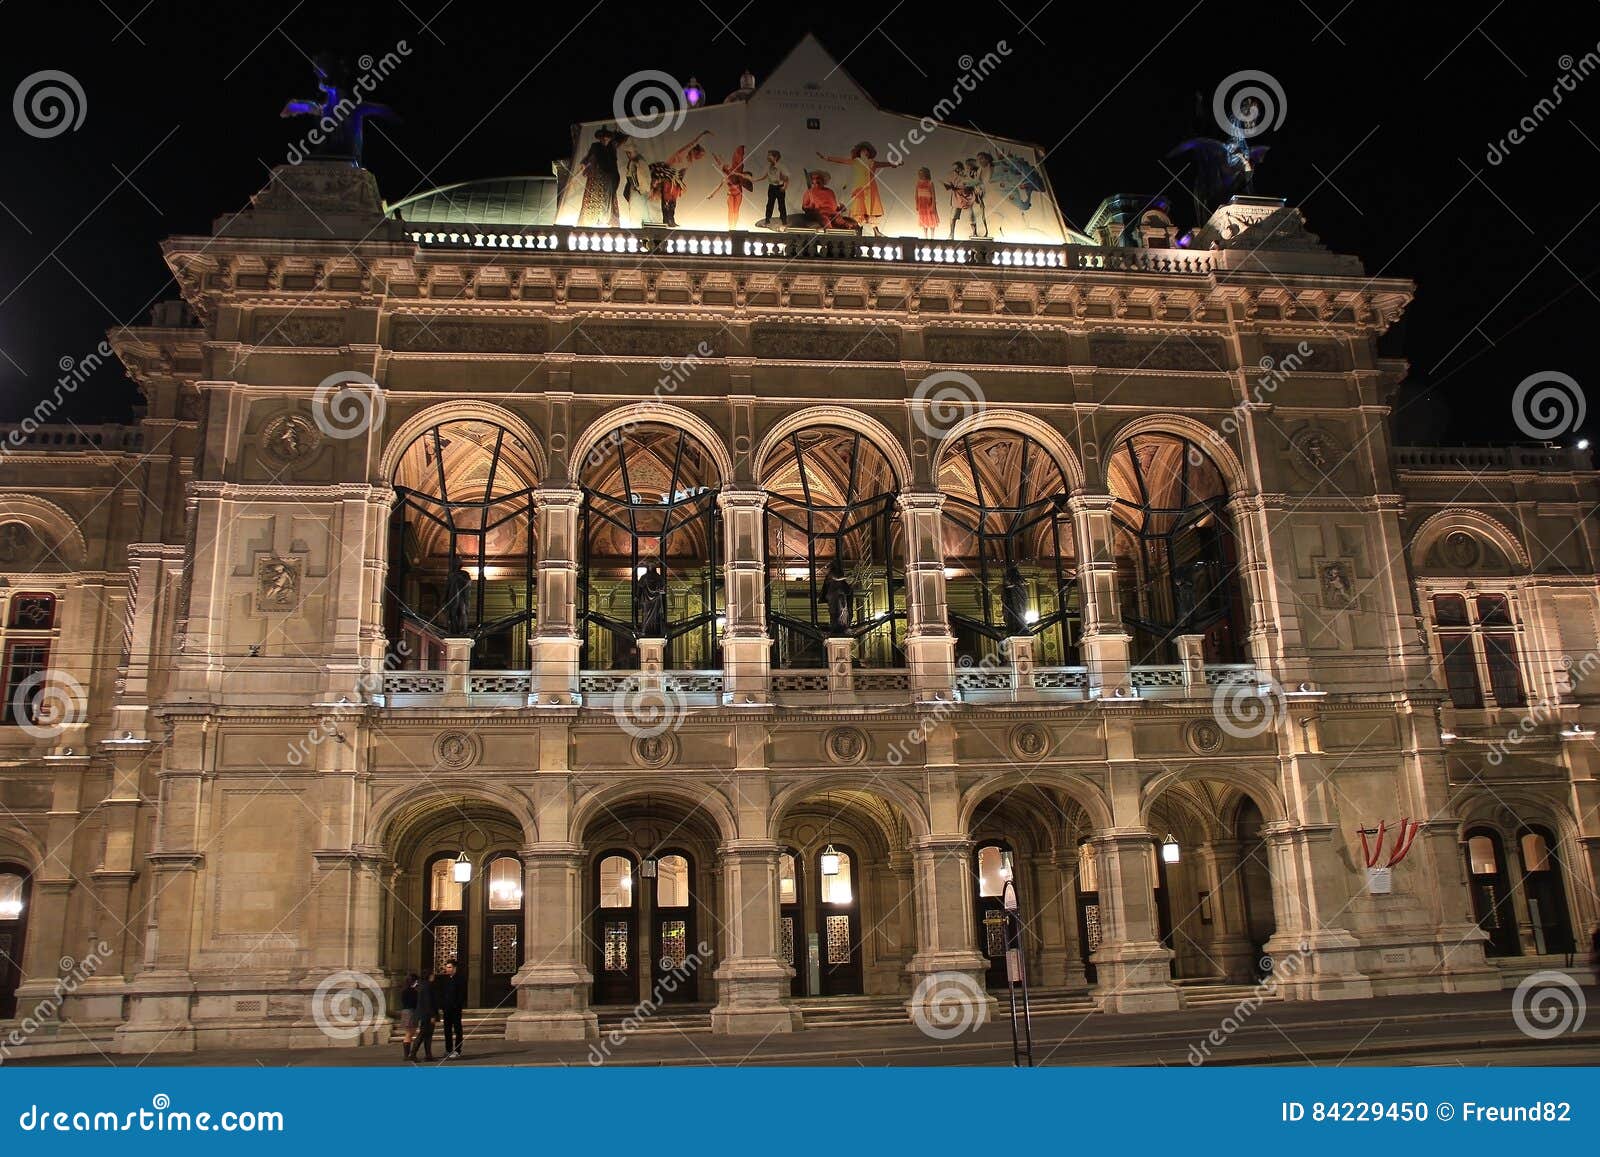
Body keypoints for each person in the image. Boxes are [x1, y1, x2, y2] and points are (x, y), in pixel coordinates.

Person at [815, 142, 900, 235]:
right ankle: (857, 230)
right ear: (859, 152)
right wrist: (826, 158)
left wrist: (895, 163)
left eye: (867, 151)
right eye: (863, 151)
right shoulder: (856, 162)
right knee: (859, 209)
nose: (865, 152)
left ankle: (876, 231)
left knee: (870, 210)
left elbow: (885, 164)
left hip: (870, 190)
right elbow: (840, 160)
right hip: (859, 189)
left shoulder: (872, 162)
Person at [648, 130, 712, 227]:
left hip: (676, 181)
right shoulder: (682, 154)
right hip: (668, 178)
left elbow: (682, 173)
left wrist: (680, 186)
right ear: (695, 151)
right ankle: (666, 221)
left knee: (673, 201)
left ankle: (671, 220)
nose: (699, 158)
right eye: (699, 155)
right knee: (666, 200)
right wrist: (702, 134)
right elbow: (692, 143)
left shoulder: (689, 161)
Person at [577, 126, 629, 228]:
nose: (605, 140)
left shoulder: (612, 146)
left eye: (607, 138)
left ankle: (607, 220)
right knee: (594, 197)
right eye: (602, 138)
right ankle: (592, 220)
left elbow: (623, 138)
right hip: (597, 176)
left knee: (608, 198)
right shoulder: (595, 146)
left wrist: (615, 135)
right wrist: (585, 164)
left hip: (610, 176)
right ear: (599, 138)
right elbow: (589, 157)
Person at [710, 145, 754, 230]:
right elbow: (719, 186)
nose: (728, 166)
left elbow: (740, 170)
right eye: (726, 167)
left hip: (738, 194)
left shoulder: (735, 171)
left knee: (736, 211)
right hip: (731, 194)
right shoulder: (726, 177)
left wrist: (743, 176)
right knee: (731, 211)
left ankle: (734, 227)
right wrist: (712, 195)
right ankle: (731, 227)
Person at [408, 969, 438, 1062]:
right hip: (427, 1014)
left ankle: (428, 1055)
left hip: (423, 1013)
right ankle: (413, 1054)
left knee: (428, 1035)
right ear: (429, 976)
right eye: (433, 975)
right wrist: (433, 1015)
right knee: (423, 1034)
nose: (434, 976)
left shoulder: (421, 985)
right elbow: (428, 1002)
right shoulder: (428, 986)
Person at [944, 161, 978, 239]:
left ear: (960, 168)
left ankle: (974, 233)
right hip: (957, 196)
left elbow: (972, 183)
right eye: (954, 170)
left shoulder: (967, 174)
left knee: (971, 215)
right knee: (953, 215)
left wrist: (967, 186)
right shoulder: (953, 175)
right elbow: (949, 184)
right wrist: (950, 186)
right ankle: (951, 234)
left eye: (957, 169)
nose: (956, 171)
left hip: (967, 196)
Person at [440, 958, 466, 1059]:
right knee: (447, 1030)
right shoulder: (445, 980)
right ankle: (448, 1049)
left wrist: (456, 1004)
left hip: (455, 1009)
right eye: (447, 967)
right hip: (446, 1009)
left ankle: (457, 1050)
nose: (448, 969)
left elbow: (461, 994)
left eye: (450, 967)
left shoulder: (460, 979)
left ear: (454, 968)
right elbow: (442, 994)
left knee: (458, 1030)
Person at [822, 560, 853, 637]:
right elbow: (837, 578)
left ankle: (842, 623)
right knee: (836, 610)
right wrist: (846, 576)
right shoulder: (831, 574)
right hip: (834, 596)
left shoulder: (836, 577)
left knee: (842, 609)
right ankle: (838, 624)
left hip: (839, 595)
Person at [760, 149, 790, 227]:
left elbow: (786, 178)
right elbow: (764, 176)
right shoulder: (768, 167)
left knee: (781, 205)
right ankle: (767, 220)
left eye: (769, 155)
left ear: (775, 157)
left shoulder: (781, 166)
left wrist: (784, 187)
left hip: (779, 187)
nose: (768, 157)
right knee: (770, 204)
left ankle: (784, 221)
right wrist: (754, 180)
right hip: (772, 187)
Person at [398, 972, 420, 1061]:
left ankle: (407, 1054)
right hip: (411, 1012)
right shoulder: (413, 991)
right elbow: (415, 1002)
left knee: (408, 1033)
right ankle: (407, 1055)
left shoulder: (404, 990)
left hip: (405, 1011)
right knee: (409, 1034)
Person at [914, 166, 939, 238]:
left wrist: (933, 205)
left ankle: (932, 236)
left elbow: (933, 195)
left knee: (931, 219)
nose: (921, 175)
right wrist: (916, 204)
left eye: (922, 173)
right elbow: (916, 194)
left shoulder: (930, 183)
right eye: (920, 174)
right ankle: (925, 236)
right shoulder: (918, 183)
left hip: (929, 203)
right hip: (922, 205)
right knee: (924, 219)